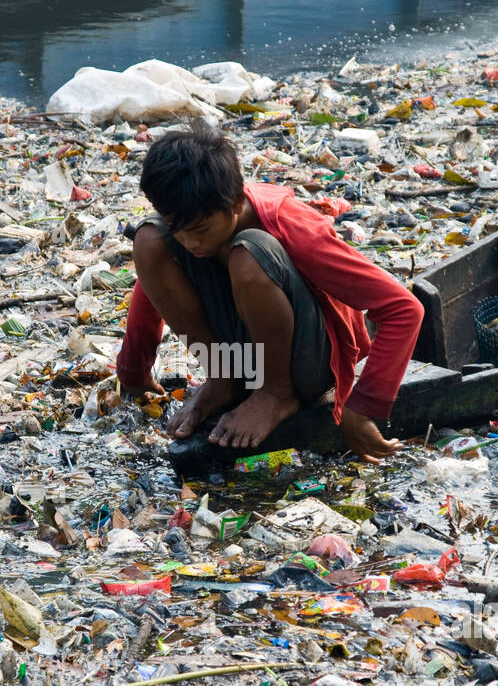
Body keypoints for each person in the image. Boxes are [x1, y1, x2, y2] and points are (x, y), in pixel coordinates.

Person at [115, 120, 424, 462]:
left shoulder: (289, 223)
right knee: (148, 239)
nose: (191, 243)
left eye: (201, 230)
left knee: (249, 253)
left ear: (235, 204)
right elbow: (153, 284)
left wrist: (361, 408)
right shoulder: (189, 229)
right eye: (181, 230)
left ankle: (275, 394)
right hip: (244, 359)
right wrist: (134, 374)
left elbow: (403, 309)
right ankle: (223, 378)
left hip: (307, 365)